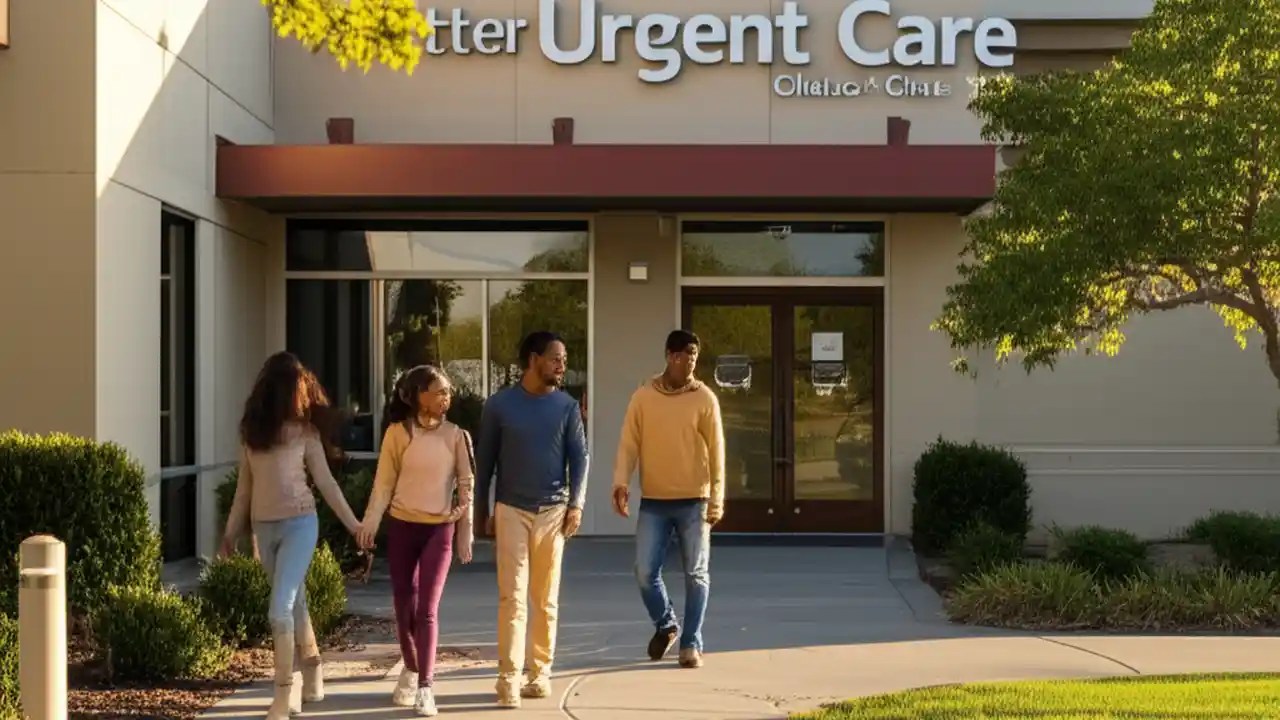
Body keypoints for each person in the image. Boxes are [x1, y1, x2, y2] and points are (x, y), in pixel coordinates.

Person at [220, 352, 362, 719]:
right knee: (294, 603)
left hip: (301, 524)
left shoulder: (307, 434)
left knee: (279, 609)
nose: (303, 393)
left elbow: (328, 485)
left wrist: (355, 525)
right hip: (263, 528)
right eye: (298, 386)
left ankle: (284, 691)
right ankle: (313, 667)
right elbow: (243, 492)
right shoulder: (252, 436)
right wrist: (229, 534)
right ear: (280, 390)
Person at [475, 331, 589, 708]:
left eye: (564, 358)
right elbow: (486, 464)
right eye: (556, 357)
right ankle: (508, 678)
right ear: (533, 359)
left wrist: (577, 504)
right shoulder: (499, 406)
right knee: (512, 598)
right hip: (511, 510)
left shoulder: (567, 407)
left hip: (554, 513)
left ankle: (539, 673)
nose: (562, 364)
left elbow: (580, 459)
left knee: (545, 599)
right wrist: (481, 512)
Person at [357, 364, 475, 717]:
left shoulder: (457, 436)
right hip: (403, 528)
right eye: (439, 391)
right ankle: (410, 667)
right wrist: (370, 523)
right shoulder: (397, 434)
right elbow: (383, 486)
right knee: (403, 608)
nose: (446, 397)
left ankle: (426, 686)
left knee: (427, 610)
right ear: (418, 395)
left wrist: (464, 532)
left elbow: (468, 485)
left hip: (439, 530)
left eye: (448, 391)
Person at [611, 330, 725, 669]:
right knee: (645, 571)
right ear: (668, 356)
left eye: (693, 354)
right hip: (656, 500)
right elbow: (629, 443)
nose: (687, 360)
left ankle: (691, 643)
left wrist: (717, 497)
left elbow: (717, 451)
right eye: (680, 354)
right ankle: (666, 623)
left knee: (696, 573)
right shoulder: (644, 396)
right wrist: (621, 482)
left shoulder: (705, 399)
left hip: (696, 501)